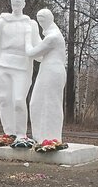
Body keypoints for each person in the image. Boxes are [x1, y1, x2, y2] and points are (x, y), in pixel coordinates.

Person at [0, 0, 39, 138]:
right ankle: (9, 133)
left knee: (18, 101)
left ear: (23, 4)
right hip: (3, 66)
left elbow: (37, 47)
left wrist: (51, 50)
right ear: (11, 4)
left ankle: (21, 135)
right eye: (14, 3)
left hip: (22, 67)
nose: (16, 5)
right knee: (4, 99)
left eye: (19, 3)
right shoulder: (0, 23)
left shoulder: (30, 24)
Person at [26, 8, 67, 142]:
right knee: (36, 103)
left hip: (53, 72)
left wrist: (27, 37)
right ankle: (40, 137)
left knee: (51, 103)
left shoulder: (53, 37)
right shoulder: (50, 36)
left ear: (50, 19)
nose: (41, 23)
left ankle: (52, 138)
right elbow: (39, 56)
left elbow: (32, 53)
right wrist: (34, 31)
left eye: (42, 20)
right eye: (39, 21)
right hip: (47, 70)